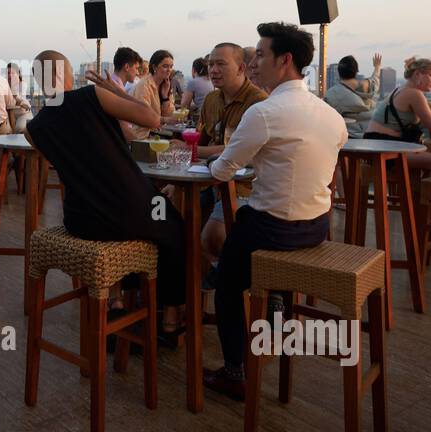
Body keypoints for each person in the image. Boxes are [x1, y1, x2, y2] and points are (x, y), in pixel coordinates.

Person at [203, 22, 348, 400]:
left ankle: (236, 371)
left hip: (273, 229)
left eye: (260, 55)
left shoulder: (265, 113)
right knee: (254, 221)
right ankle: (276, 299)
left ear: (284, 61)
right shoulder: (331, 115)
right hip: (316, 227)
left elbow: (222, 170)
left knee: (227, 286)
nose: (253, 62)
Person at [26, 50, 187, 343]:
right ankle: (172, 317)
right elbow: (152, 119)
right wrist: (115, 90)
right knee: (172, 222)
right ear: (65, 74)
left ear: (39, 81)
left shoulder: (33, 129)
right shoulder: (93, 96)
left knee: (136, 226)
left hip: (82, 220)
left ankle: (117, 302)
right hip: (131, 209)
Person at [195, 43, 269, 277]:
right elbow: (202, 142)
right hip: (208, 179)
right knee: (171, 217)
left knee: (214, 237)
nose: (213, 70)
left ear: (241, 68)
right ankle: (187, 290)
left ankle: (230, 285)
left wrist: (195, 152)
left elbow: (240, 152)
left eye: (221, 64)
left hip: (245, 185)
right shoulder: (211, 100)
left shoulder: (258, 103)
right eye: (210, 64)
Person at [363, 57, 431, 170]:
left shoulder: (399, 89)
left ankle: (416, 187)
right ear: (418, 74)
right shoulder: (414, 94)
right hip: (386, 150)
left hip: (375, 146)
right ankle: (416, 187)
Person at [324, 53, 382, 139]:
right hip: (369, 137)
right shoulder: (369, 86)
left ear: (339, 72)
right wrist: (377, 67)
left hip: (347, 139)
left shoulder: (334, 93)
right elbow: (375, 78)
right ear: (356, 71)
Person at [129, 49, 178, 140]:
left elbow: (170, 114)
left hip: (158, 133)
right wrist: (163, 120)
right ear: (155, 67)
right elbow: (143, 116)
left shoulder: (165, 85)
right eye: (165, 66)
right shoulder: (144, 85)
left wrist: (165, 97)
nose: (169, 70)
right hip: (143, 136)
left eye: (171, 66)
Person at [5, 62, 31, 132]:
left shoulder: (22, 85)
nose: (10, 75)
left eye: (12, 73)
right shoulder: (4, 85)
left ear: (18, 74)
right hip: (8, 114)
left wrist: (14, 94)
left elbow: (20, 101)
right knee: (7, 131)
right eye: (8, 73)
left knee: (19, 128)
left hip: (21, 114)